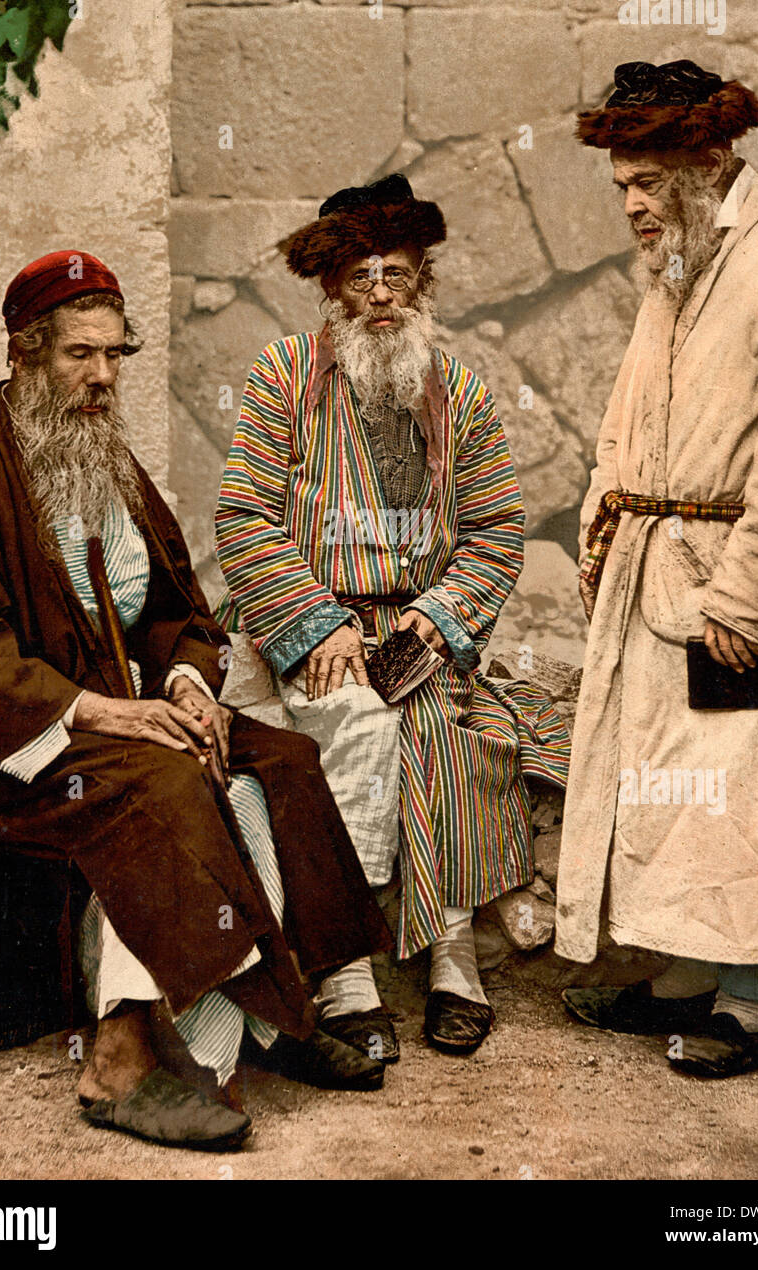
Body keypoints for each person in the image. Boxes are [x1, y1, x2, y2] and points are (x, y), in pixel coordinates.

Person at [0, 251, 393, 1151]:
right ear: (23, 354)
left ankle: (290, 1010)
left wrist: (185, 684)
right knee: (161, 784)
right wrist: (108, 713)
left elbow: (173, 607)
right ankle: (119, 1061)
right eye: (77, 356)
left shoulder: (105, 458)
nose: (101, 377)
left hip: (126, 715)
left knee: (281, 758)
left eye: (114, 355)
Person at [214, 175, 570, 1060]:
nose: (379, 295)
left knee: (449, 736)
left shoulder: (460, 393)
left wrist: (436, 621)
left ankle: (454, 962)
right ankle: (346, 973)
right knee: (347, 732)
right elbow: (243, 515)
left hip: (417, 633)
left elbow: (492, 528)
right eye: (361, 276)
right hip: (309, 627)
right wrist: (312, 620)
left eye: (398, 276)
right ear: (332, 288)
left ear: (424, 286)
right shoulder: (284, 376)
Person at [556, 60, 758, 1077]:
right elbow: (628, 420)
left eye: (646, 183)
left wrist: (745, 595)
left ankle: (757, 1009)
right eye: (623, 187)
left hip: (744, 582)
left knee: (751, 796)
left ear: (709, 160)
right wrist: (603, 526)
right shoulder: (675, 271)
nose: (632, 205)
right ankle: (684, 979)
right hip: (656, 566)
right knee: (675, 789)